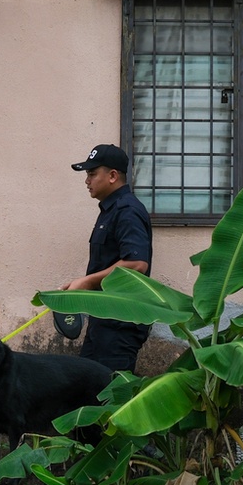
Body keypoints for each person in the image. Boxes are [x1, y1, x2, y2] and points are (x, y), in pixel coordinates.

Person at [61, 144, 153, 373]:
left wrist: (87, 282)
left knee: (110, 398)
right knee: (89, 392)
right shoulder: (111, 210)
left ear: (112, 176)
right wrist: (80, 285)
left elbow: (137, 263)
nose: (87, 180)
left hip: (119, 325)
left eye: (92, 174)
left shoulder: (127, 210)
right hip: (103, 321)